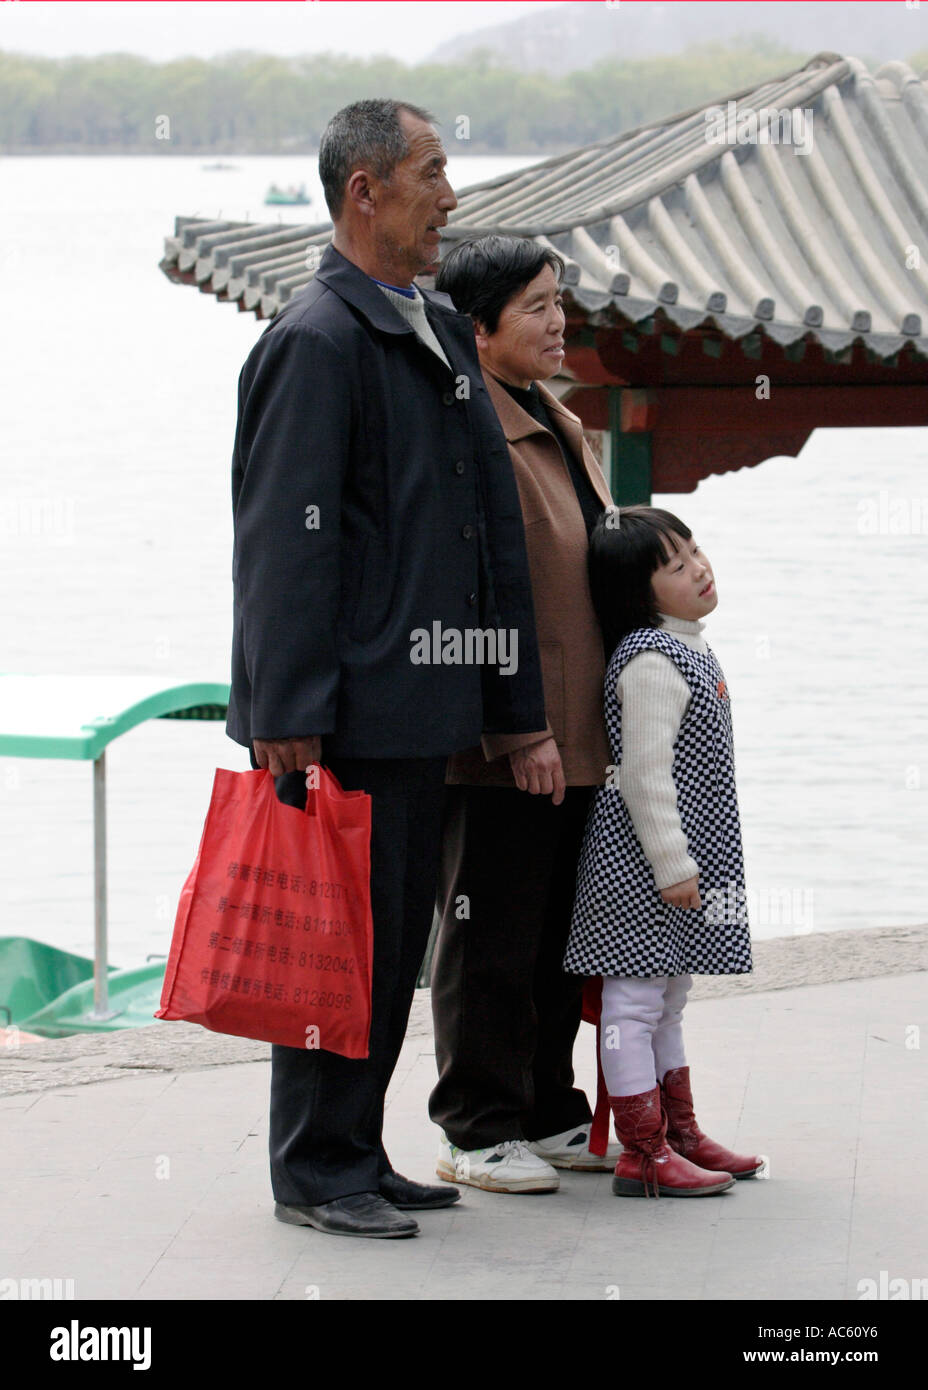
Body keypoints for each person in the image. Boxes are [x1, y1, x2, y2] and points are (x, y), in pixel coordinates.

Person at [226, 101, 547, 1239]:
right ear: (365, 190)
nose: (451, 196)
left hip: (423, 704)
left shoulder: (430, 328)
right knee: (332, 943)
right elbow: (282, 546)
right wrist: (286, 711)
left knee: (391, 943)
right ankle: (315, 1168)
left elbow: (485, 531)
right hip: (347, 709)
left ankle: (352, 1150)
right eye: (431, 171)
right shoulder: (314, 338)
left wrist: (512, 704)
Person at [427, 235, 619, 1193]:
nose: (558, 322)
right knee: (489, 932)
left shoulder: (557, 419)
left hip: (580, 727)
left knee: (556, 931)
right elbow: (471, 594)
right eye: (538, 307)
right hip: (509, 736)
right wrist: (516, 727)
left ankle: (548, 1111)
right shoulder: (467, 431)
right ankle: (474, 1126)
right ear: (479, 327)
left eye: (559, 302)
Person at [563, 505, 764, 1197]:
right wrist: (675, 864)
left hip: (671, 867)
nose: (699, 568)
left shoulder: (689, 646)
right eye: (676, 566)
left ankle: (679, 1134)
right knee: (634, 1002)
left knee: (669, 998)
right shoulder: (651, 661)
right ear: (638, 592)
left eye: (696, 551)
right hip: (642, 868)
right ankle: (641, 1151)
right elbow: (645, 774)